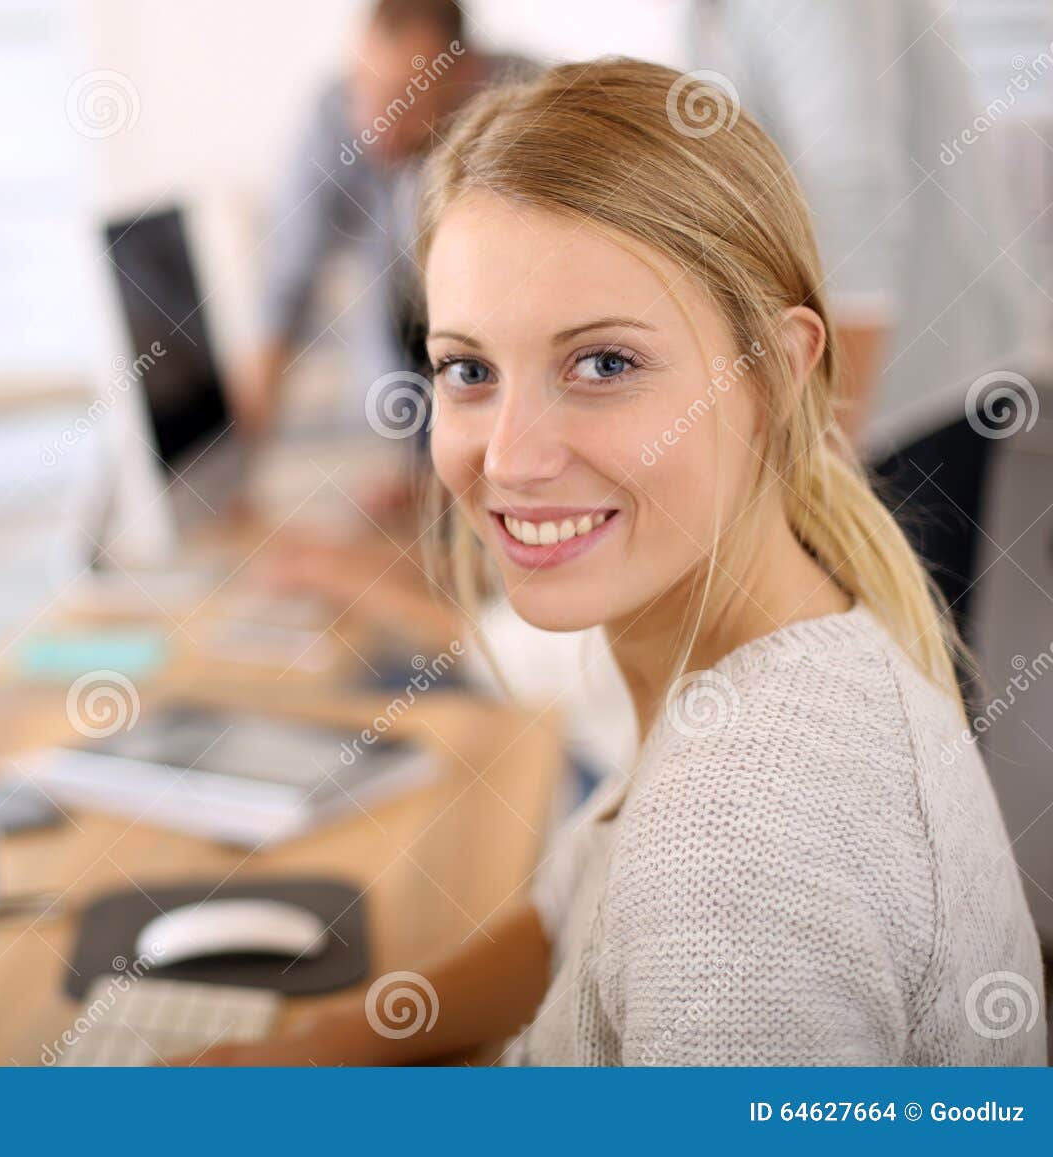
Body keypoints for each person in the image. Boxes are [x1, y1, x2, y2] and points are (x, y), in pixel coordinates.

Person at [188, 59, 1045, 1066]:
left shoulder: (739, 844)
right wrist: (320, 1043)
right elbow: (573, 912)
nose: (508, 457)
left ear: (775, 372)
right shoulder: (762, 638)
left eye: (602, 364)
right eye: (469, 369)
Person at [688, 0, 1036, 625]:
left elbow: (853, 196)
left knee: (905, 648)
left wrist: (825, 448)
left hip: (911, 376)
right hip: (847, 370)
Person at [230, 0, 538, 441]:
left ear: (465, 74)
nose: (374, 125)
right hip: (400, 376)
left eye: (402, 100)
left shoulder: (530, 105)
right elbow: (287, 276)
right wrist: (243, 451)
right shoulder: (336, 110)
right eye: (364, 93)